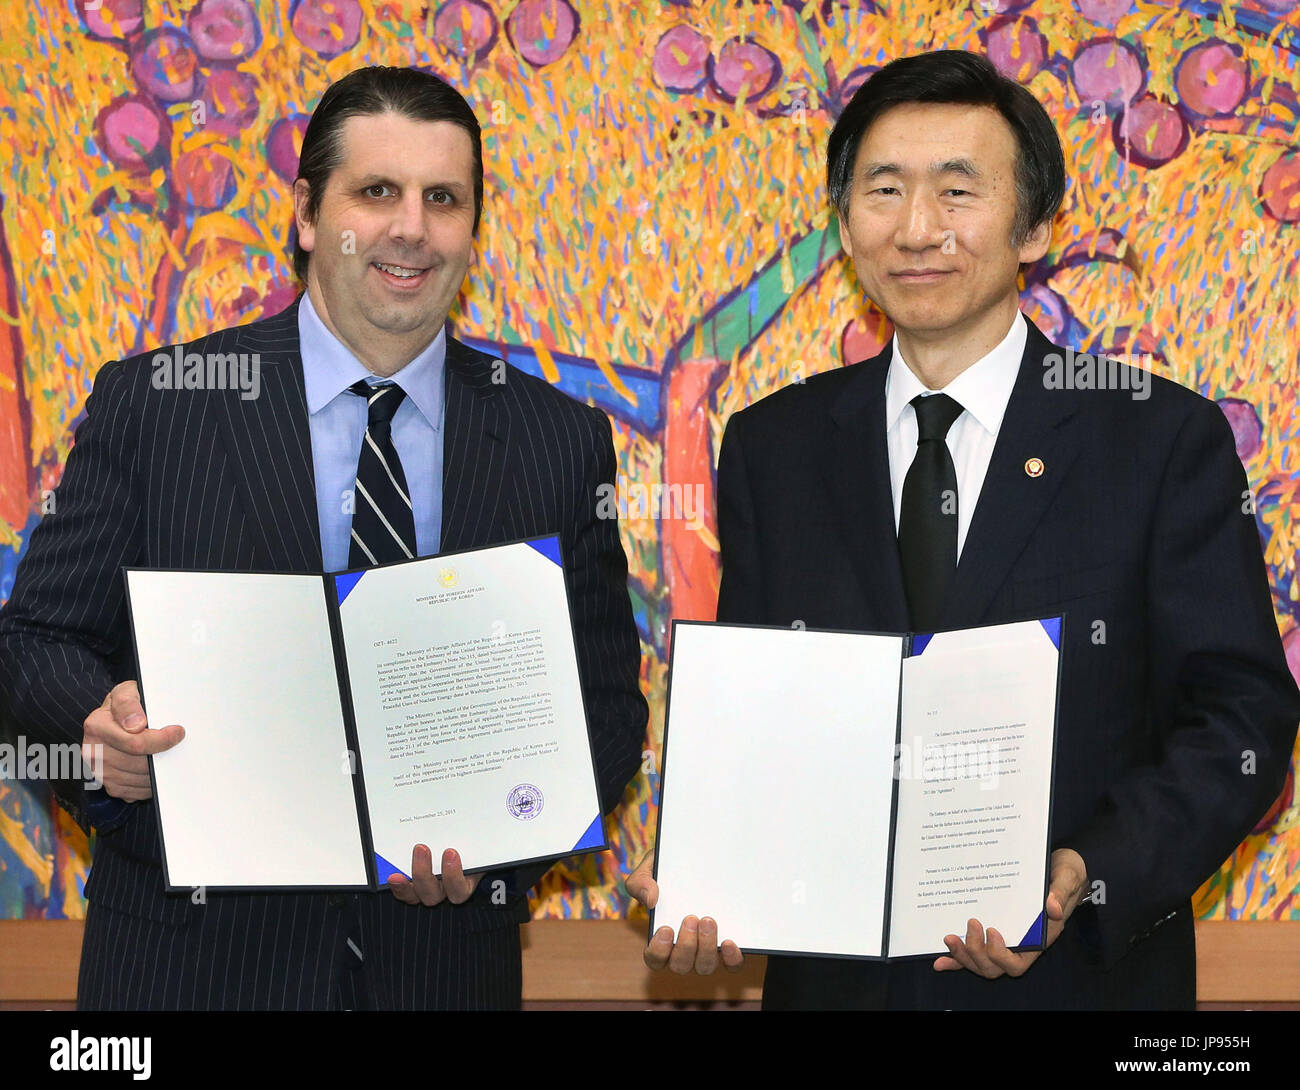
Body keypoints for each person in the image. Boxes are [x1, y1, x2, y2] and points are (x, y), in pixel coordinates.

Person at [626, 49, 1299, 1009]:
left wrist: (1087, 872)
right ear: (846, 223)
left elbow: (1242, 716)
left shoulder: (1155, 439)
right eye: (883, 189)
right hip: (838, 992)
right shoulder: (776, 444)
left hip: (1077, 989)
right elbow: (763, 702)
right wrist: (711, 876)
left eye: (958, 191)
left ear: (1034, 230)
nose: (916, 228)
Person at [0, 66, 647, 1010]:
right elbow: (32, 644)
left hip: (443, 972)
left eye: (443, 199)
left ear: (474, 227)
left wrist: (502, 849)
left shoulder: (559, 439)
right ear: (308, 213)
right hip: (188, 973)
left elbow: (605, 710)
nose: (410, 228)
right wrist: (96, 726)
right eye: (376, 192)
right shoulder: (158, 406)